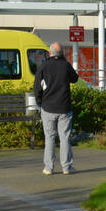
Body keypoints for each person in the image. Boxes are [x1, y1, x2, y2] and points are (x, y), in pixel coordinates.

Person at [33, 42, 79, 175]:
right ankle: (66, 167)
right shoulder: (65, 65)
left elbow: (37, 87)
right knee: (64, 137)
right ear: (62, 53)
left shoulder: (44, 66)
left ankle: (49, 167)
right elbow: (75, 79)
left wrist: (40, 101)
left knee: (49, 137)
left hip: (48, 107)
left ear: (50, 52)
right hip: (64, 107)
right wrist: (64, 61)